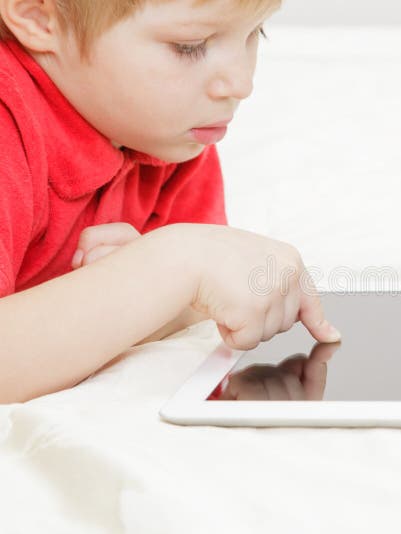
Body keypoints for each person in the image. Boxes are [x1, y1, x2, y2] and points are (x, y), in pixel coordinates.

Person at [0, 0, 341, 404]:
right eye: (190, 45)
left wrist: (138, 286)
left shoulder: (168, 135)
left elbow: (203, 299)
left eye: (256, 33)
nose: (242, 83)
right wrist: (166, 264)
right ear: (39, 17)